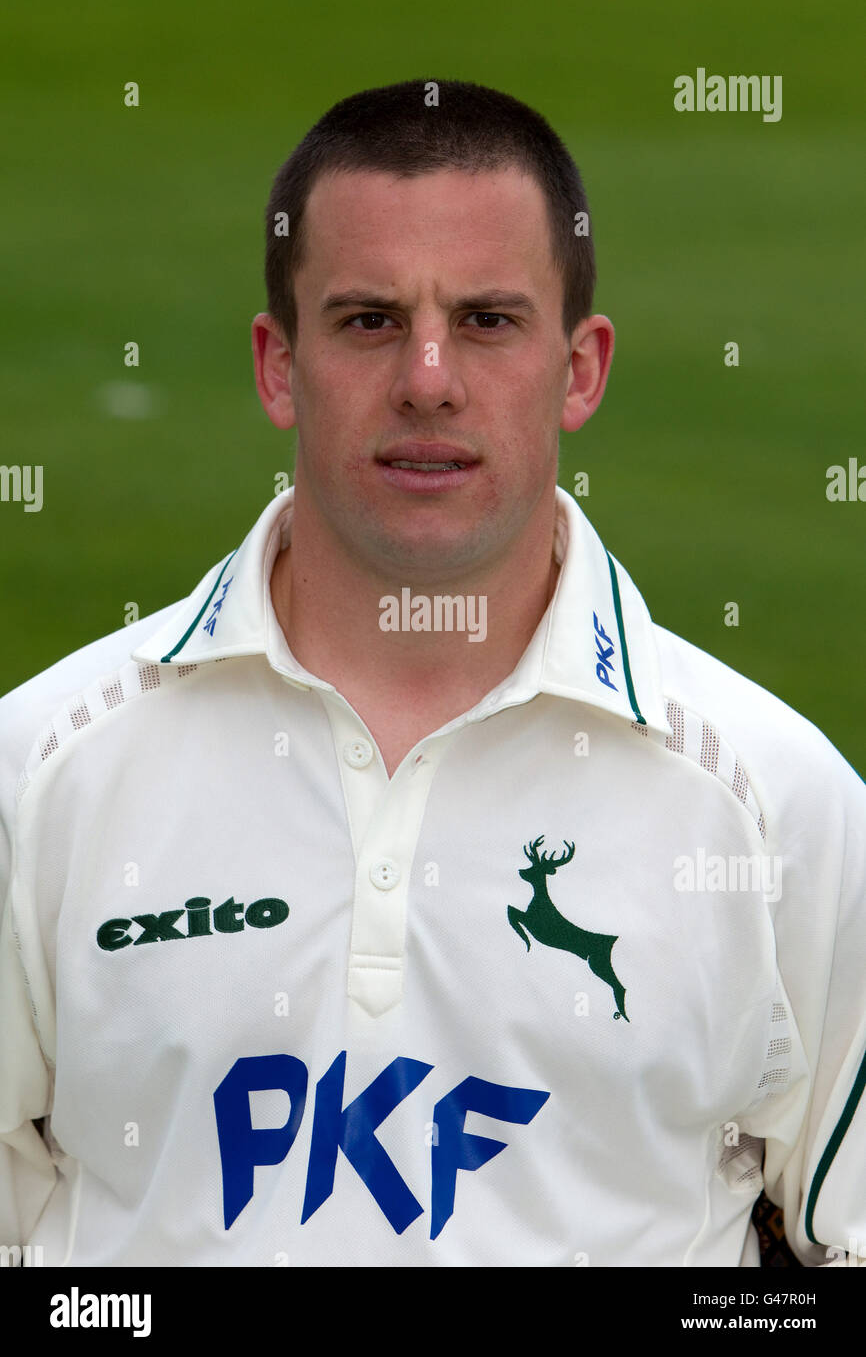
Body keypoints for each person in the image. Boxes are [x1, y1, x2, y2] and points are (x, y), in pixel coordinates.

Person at [1, 79, 863, 1269]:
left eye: (487, 320)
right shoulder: (42, 768)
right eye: (365, 320)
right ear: (275, 364)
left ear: (579, 368)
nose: (426, 377)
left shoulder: (771, 797)